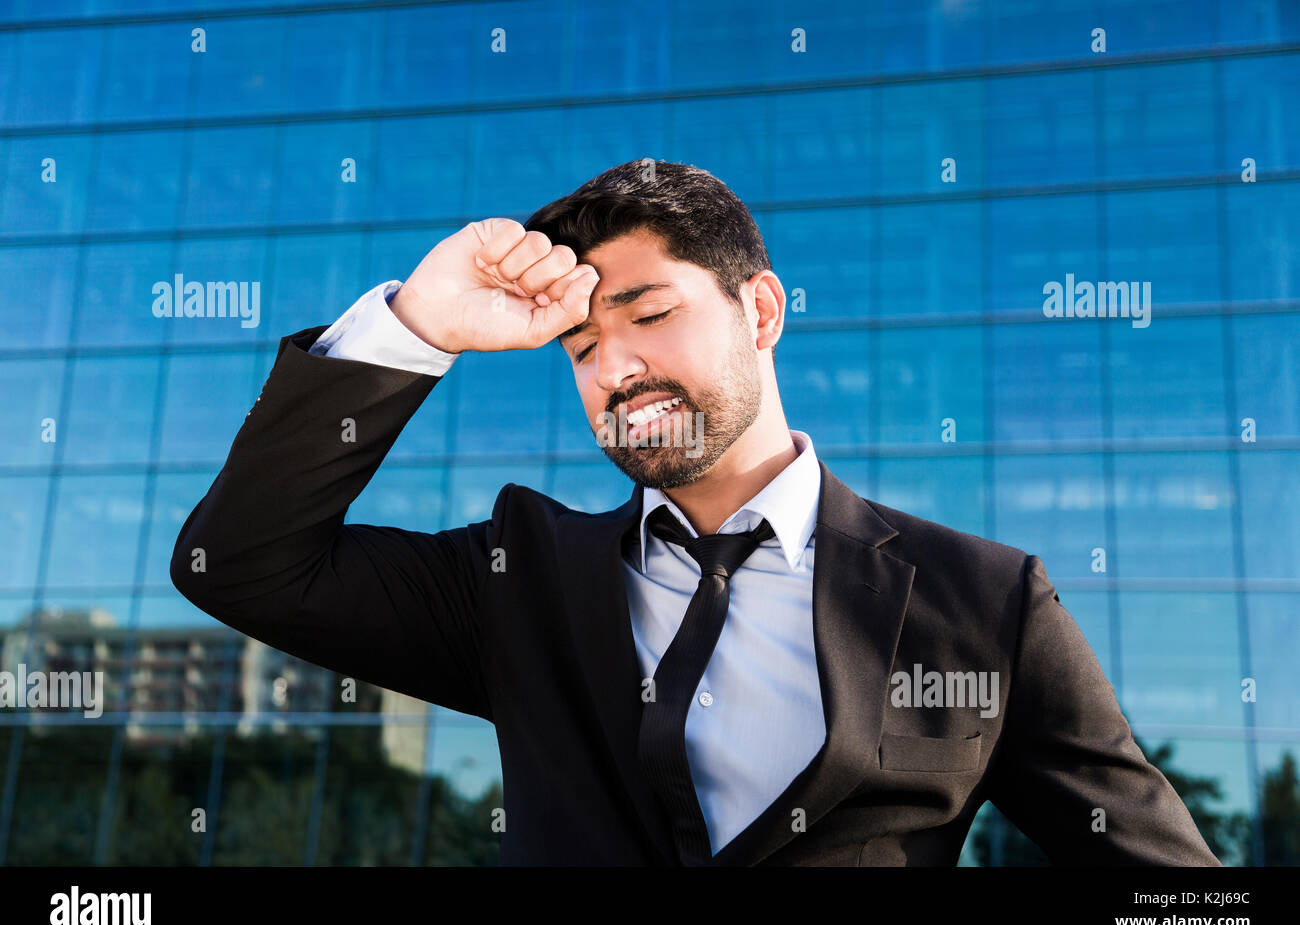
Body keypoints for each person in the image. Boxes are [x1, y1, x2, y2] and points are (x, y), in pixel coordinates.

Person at [171, 159, 1219, 866]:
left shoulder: (984, 601)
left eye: (651, 315)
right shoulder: (518, 579)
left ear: (760, 310)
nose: (614, 369)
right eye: (580, 349)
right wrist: (418, 325)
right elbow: (238, 560)